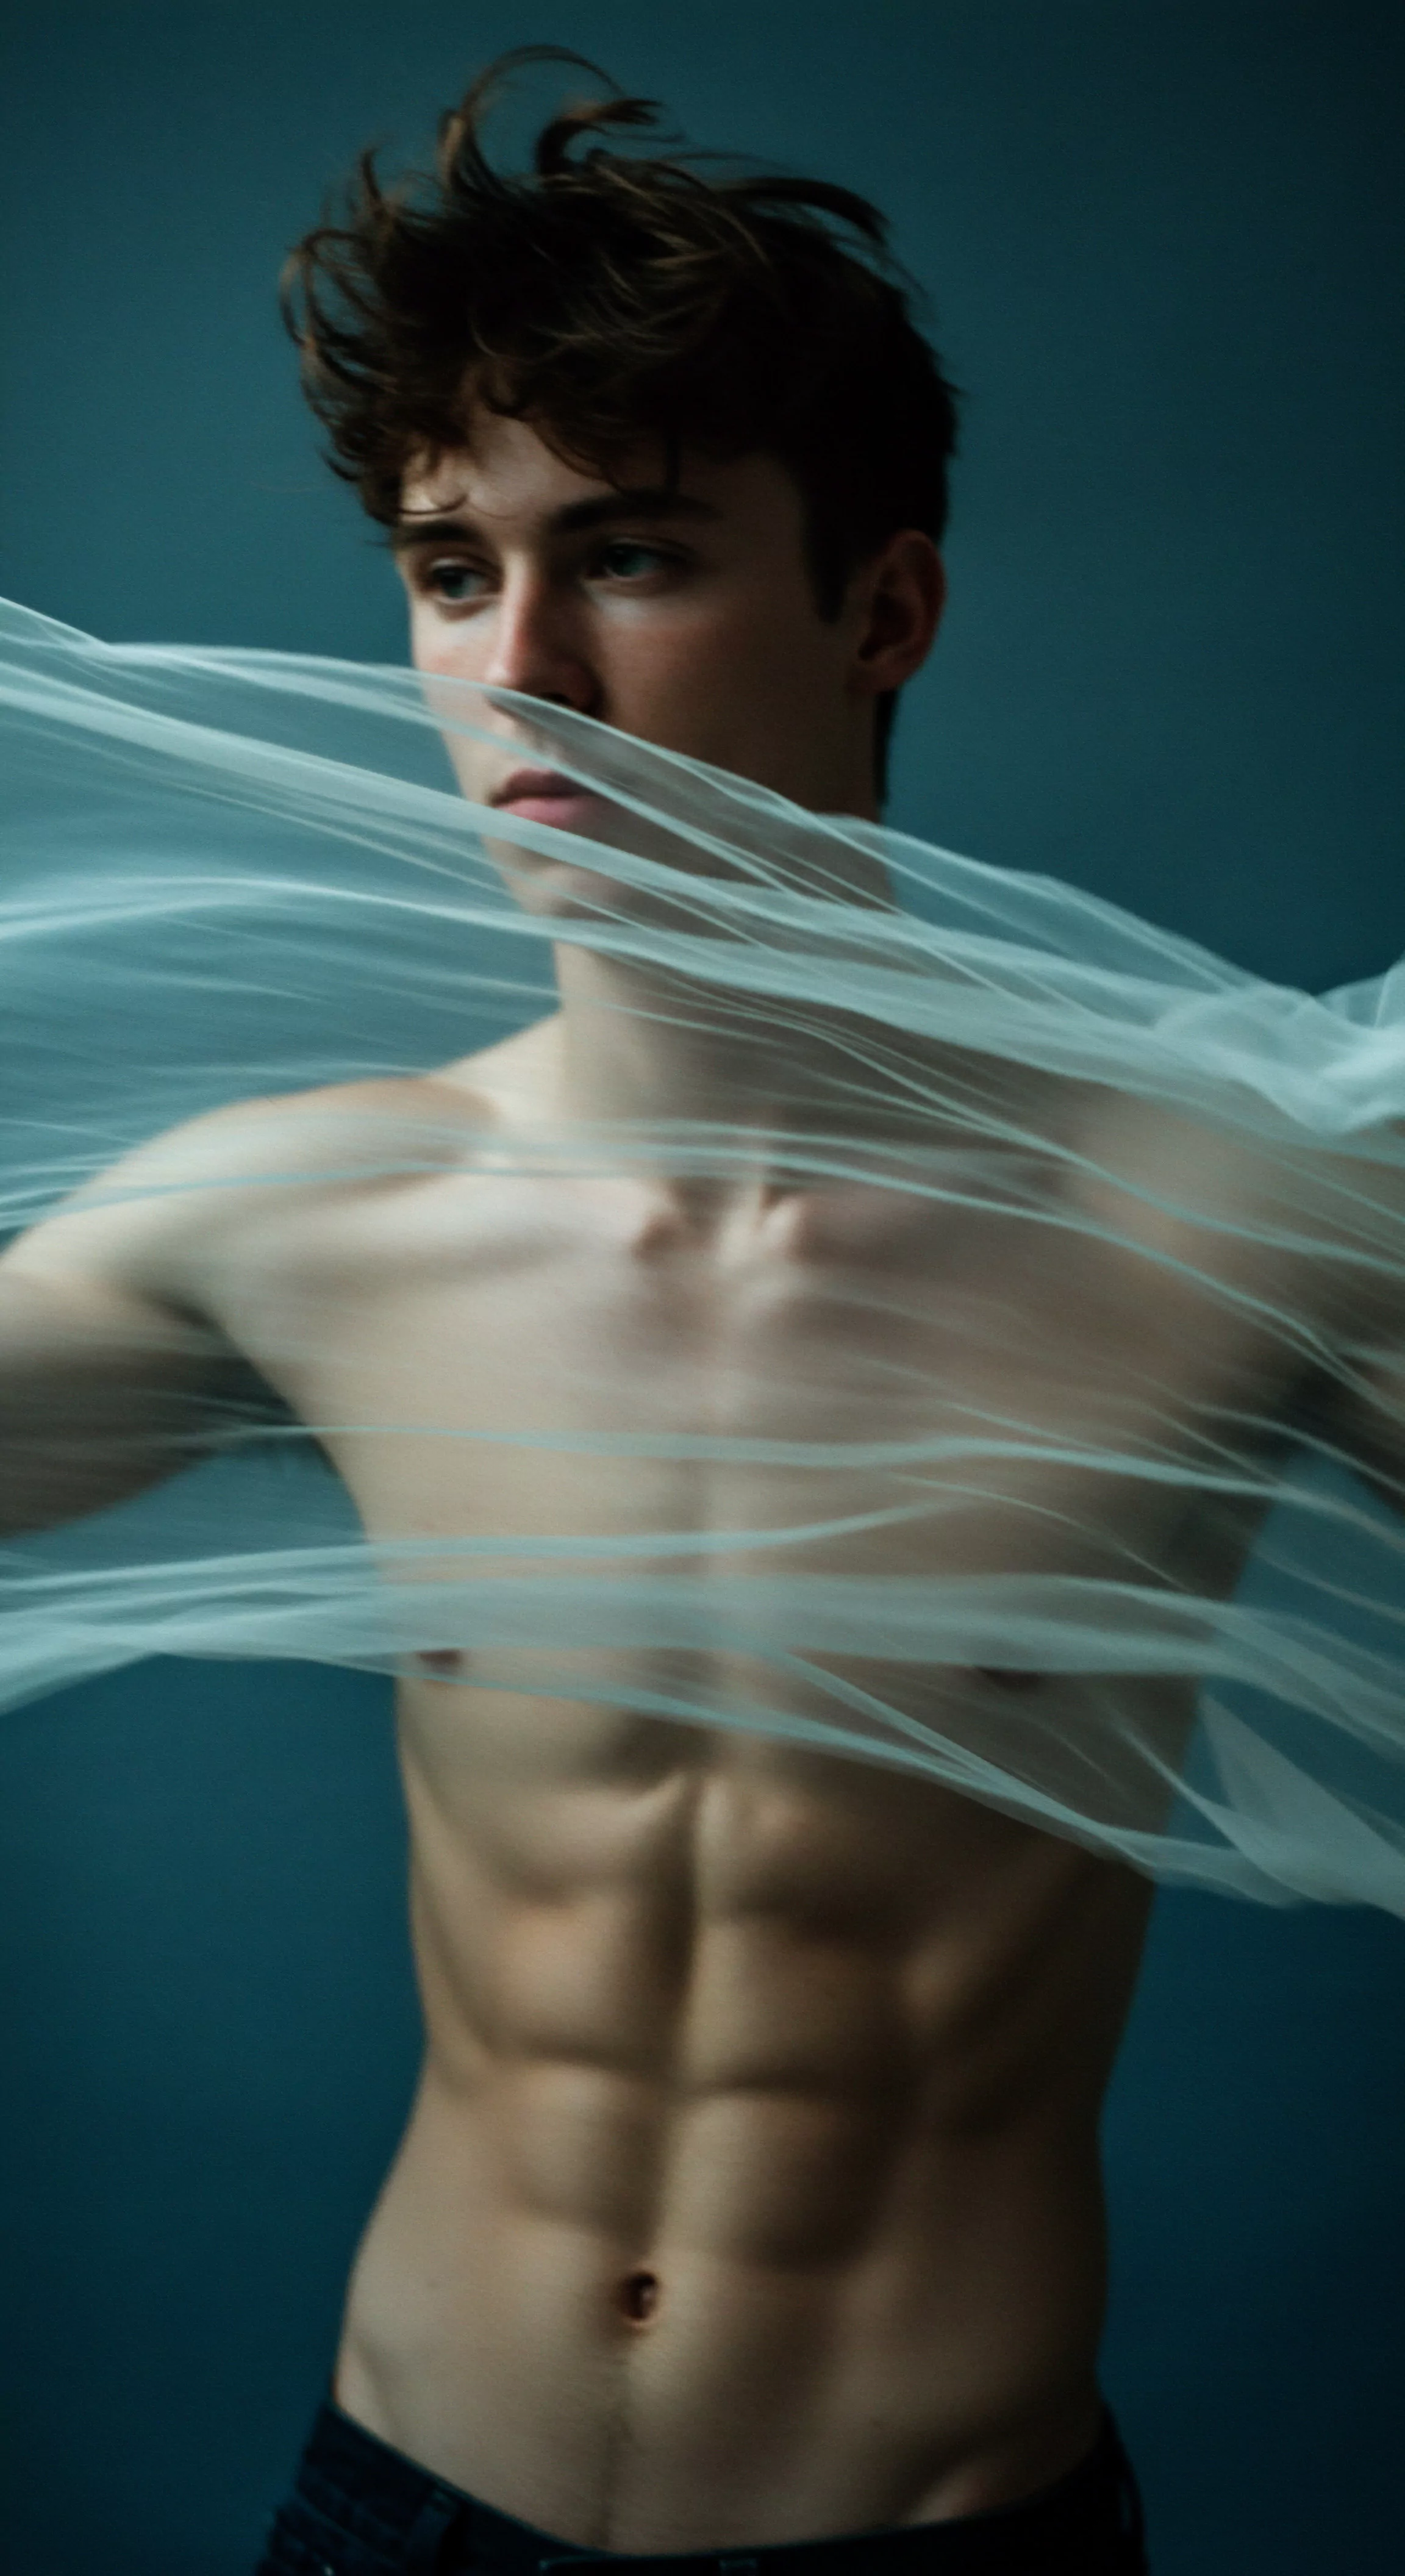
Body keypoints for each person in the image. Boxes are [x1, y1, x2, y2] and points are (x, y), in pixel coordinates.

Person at [3, 48, 1401, 2576]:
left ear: (887, 605)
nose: (520, 671)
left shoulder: (1237, 1229)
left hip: (945, 2534)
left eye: (628, 555)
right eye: (450, 572)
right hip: (404, 2508)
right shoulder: (308, 1224)